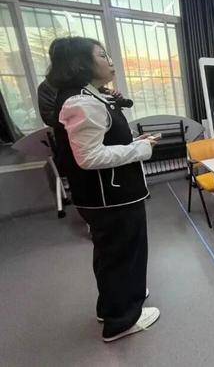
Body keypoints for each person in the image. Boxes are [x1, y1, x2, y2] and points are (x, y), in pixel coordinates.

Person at [50, 36, 159, 342]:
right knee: (122, 254)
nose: (110, 61)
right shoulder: (81, 102)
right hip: (111, 198)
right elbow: (89, 157)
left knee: (112, 254)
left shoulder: (88, 96)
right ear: (81, 63)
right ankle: (121, 321)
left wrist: (133, 141)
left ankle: (113, 304)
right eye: (102, 55)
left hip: (107, 197)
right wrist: (139, 149)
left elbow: (101, 140)